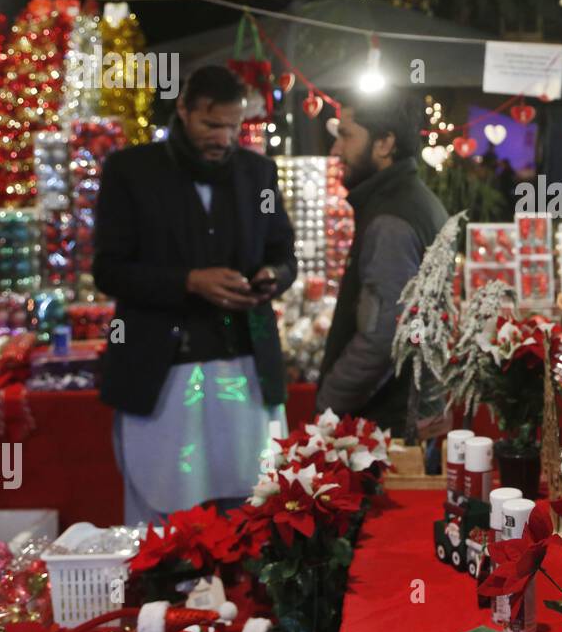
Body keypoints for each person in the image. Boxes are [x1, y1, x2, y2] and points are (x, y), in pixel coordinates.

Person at [94, 65, 296, 525]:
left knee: (251, 507)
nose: (224, 137)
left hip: (245, 365)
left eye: (232, 126)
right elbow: (109, 270)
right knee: (161, 517)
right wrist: (188, 281)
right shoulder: (131, 171)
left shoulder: (258, 173)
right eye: (211, 124)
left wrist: (271, 276)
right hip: (160, 370)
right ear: (183, 110)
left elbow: (284, 253)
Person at [318, 89, 448, 436]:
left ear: (385, 143)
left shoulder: (392, 218)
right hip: (412, 409)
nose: (336, 149)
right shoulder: (415, 200)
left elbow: (385, 337)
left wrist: (328, 405)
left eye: (346, 136)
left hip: (390, 422)